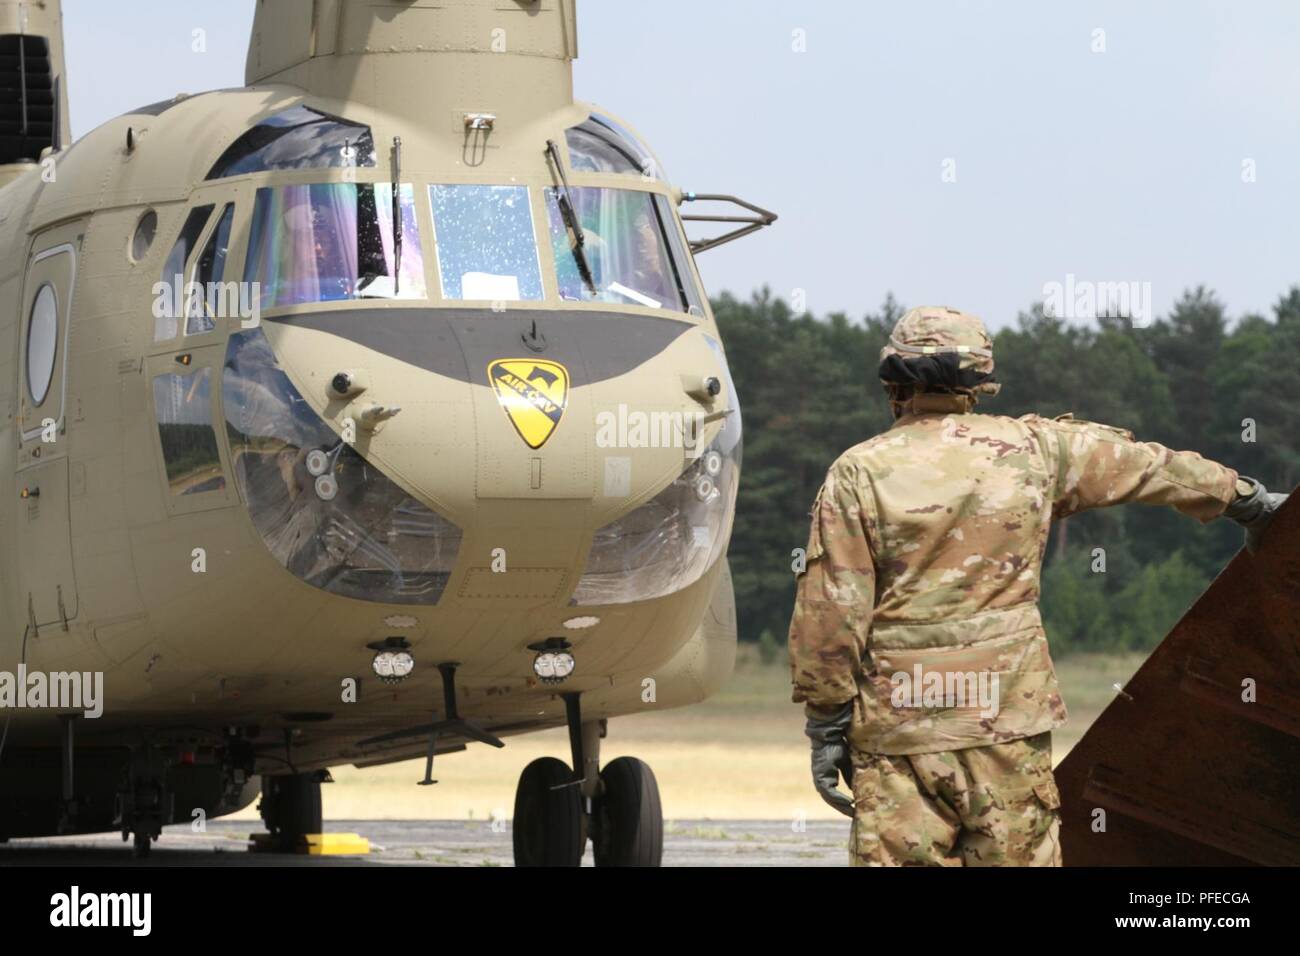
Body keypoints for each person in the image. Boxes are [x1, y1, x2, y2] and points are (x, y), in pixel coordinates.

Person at [787, 305, 1289, 867]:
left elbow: (831, 610)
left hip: (901, 730)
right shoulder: (1036, 449)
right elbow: (1152, 468)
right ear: (980, 379)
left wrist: (826, 721)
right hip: (1007, 720)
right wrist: (1249, 502)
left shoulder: (858, 471)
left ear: (893, 379)